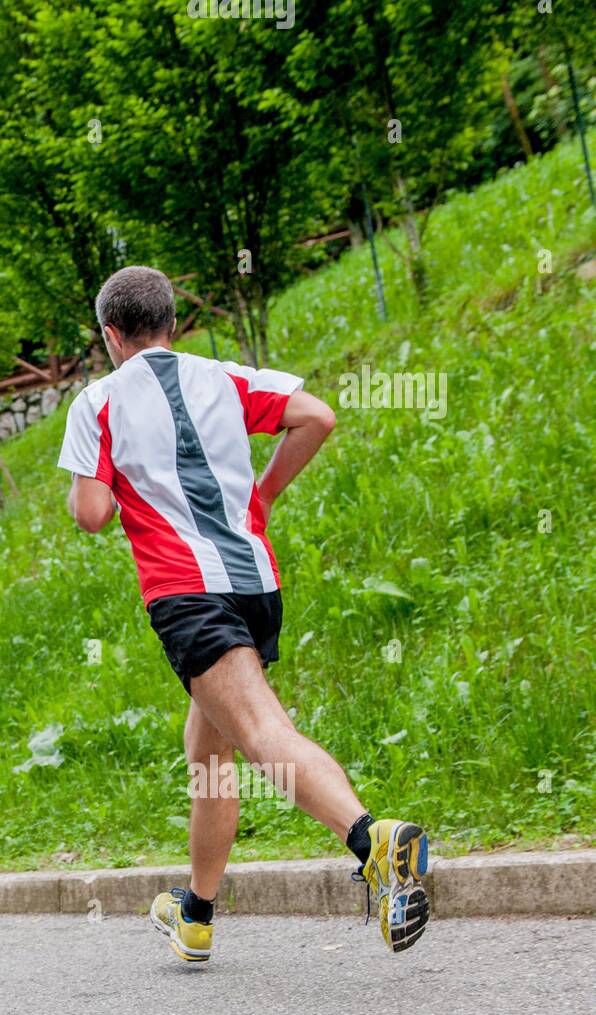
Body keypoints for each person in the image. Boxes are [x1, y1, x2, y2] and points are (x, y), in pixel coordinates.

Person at [57, 265, 428, 962]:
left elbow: (92, 514)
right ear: (172, 322)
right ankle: (195, 913)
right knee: (209, 757)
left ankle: (373, 840)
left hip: (186, 592)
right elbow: (316, 416)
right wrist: (262, 494)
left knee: (260, 734)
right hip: (254, 584)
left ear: (110, 334)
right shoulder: (221, 377)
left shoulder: (98, 401)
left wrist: (97, 480)